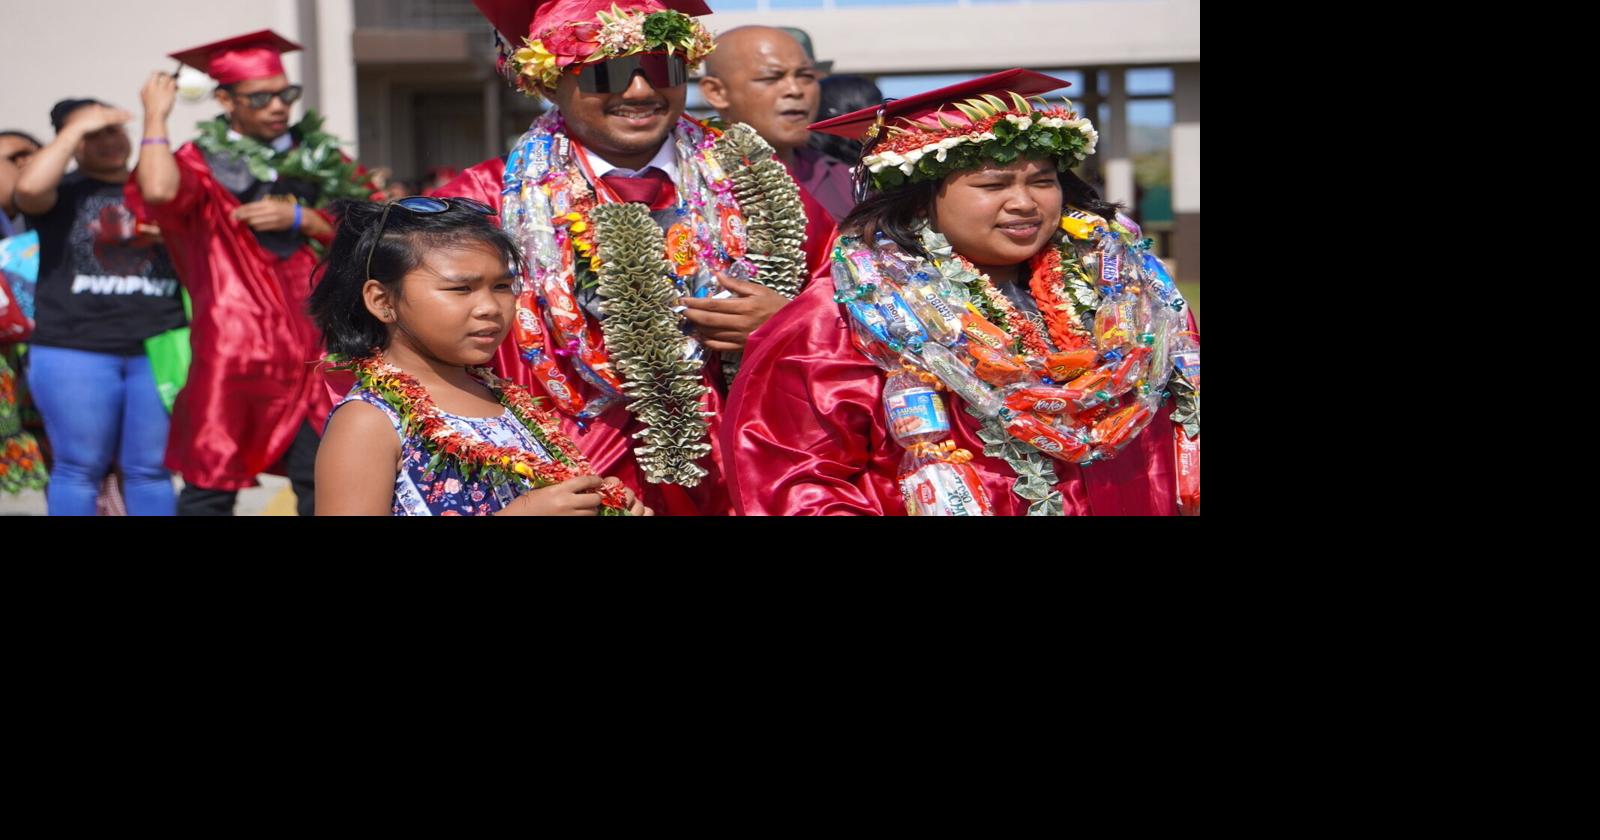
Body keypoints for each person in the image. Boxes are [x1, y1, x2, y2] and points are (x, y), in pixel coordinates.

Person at [722, 70, 1201, 516]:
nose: (1025, 203)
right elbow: (793, 483)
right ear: (921, 197)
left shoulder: (1132, 294)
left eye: (1043, 181)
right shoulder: (839, 321)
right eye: (992, 184)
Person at [432, 0, 815, 515]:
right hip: (561, 477)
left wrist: (787, 323)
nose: (640, 91)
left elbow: (861, 309)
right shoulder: (482, 202)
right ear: (549, 83)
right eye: (607, 72)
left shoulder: (756, 186)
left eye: (662, 67)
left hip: (746, 471)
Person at [129, 29, 374, 515]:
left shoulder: (320, 160)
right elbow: (157, 191)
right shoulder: (199, 163)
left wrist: (304, 218)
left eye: (286, 94)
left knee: (322, 478)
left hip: (316, 346)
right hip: (235, 350)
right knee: (210, 485)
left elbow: (373, 228)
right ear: (225, 99)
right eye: (260, 98)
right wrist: (156, 115)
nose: (278, 107)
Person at [309, 196, 649, 516]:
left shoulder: (501, 395)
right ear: (383, 301)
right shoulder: (368, 421)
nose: (490, 308)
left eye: (502, 287)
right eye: (461, 289)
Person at [11, 98, 186, 515]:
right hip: (75, 348)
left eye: (113, 129)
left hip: (159, 347)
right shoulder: (59, 192)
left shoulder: (156, 185)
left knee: (151, 469)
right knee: (77, 468)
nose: (108, 139)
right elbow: (29, 189)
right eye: (94, 133)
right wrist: (74, 129)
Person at [698, 25, 852, 227]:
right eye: (771, 78)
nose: (795, 90)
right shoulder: (691, 182)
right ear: (716, 92)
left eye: (805, 76)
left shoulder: (847, 181)